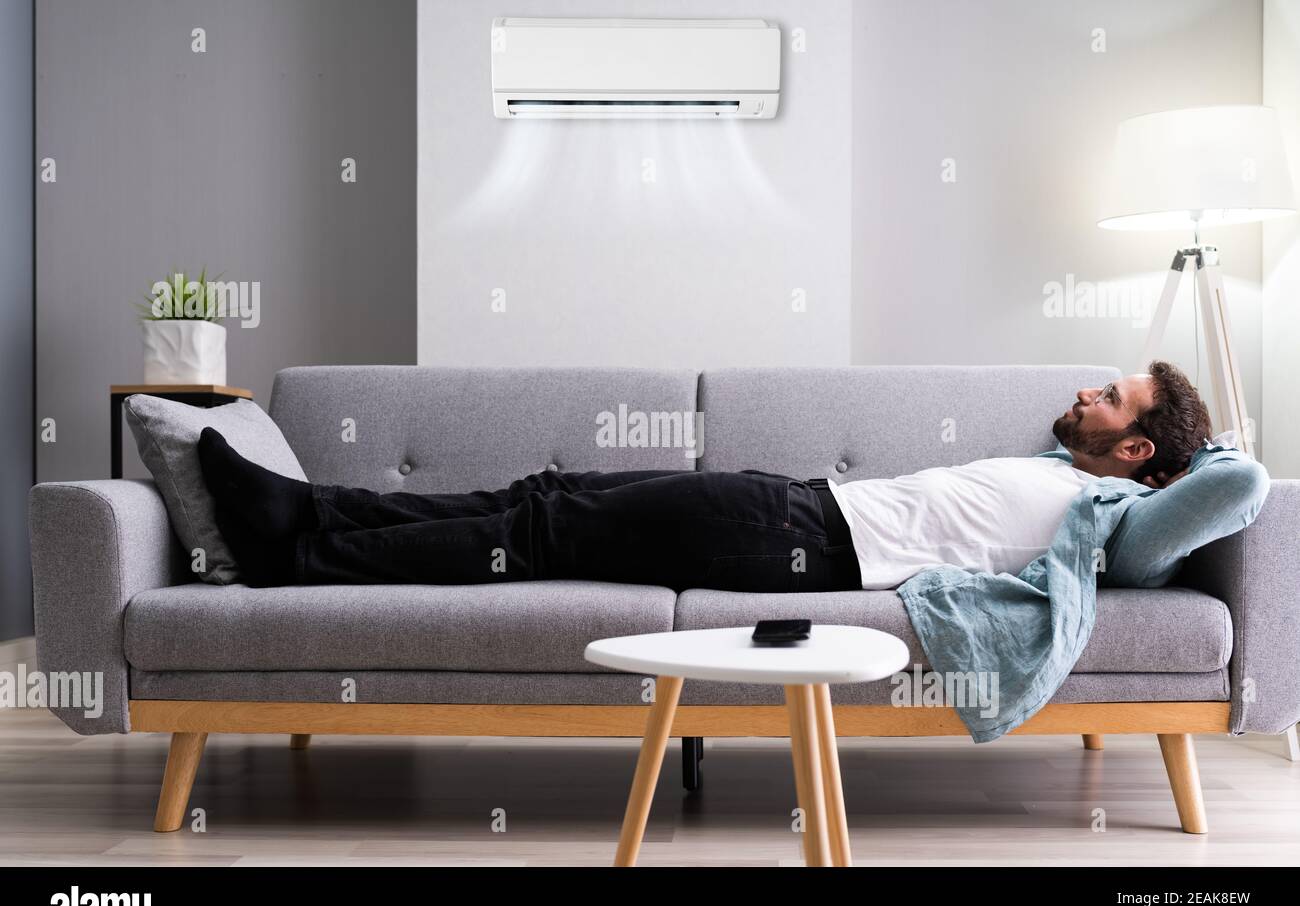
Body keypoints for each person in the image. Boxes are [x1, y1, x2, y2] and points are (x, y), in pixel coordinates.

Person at [198, 360, 1212, 591]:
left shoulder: (1110, 511)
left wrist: (1202, 453)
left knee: (544, 535)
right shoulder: (1067, 467)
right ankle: (309, 508)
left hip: (802, 541)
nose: (1087, 391)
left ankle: (297, 558)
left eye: (1111, 398)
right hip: (797, 508)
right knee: (538, 498)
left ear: (1135, 451)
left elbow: (1230, 486)